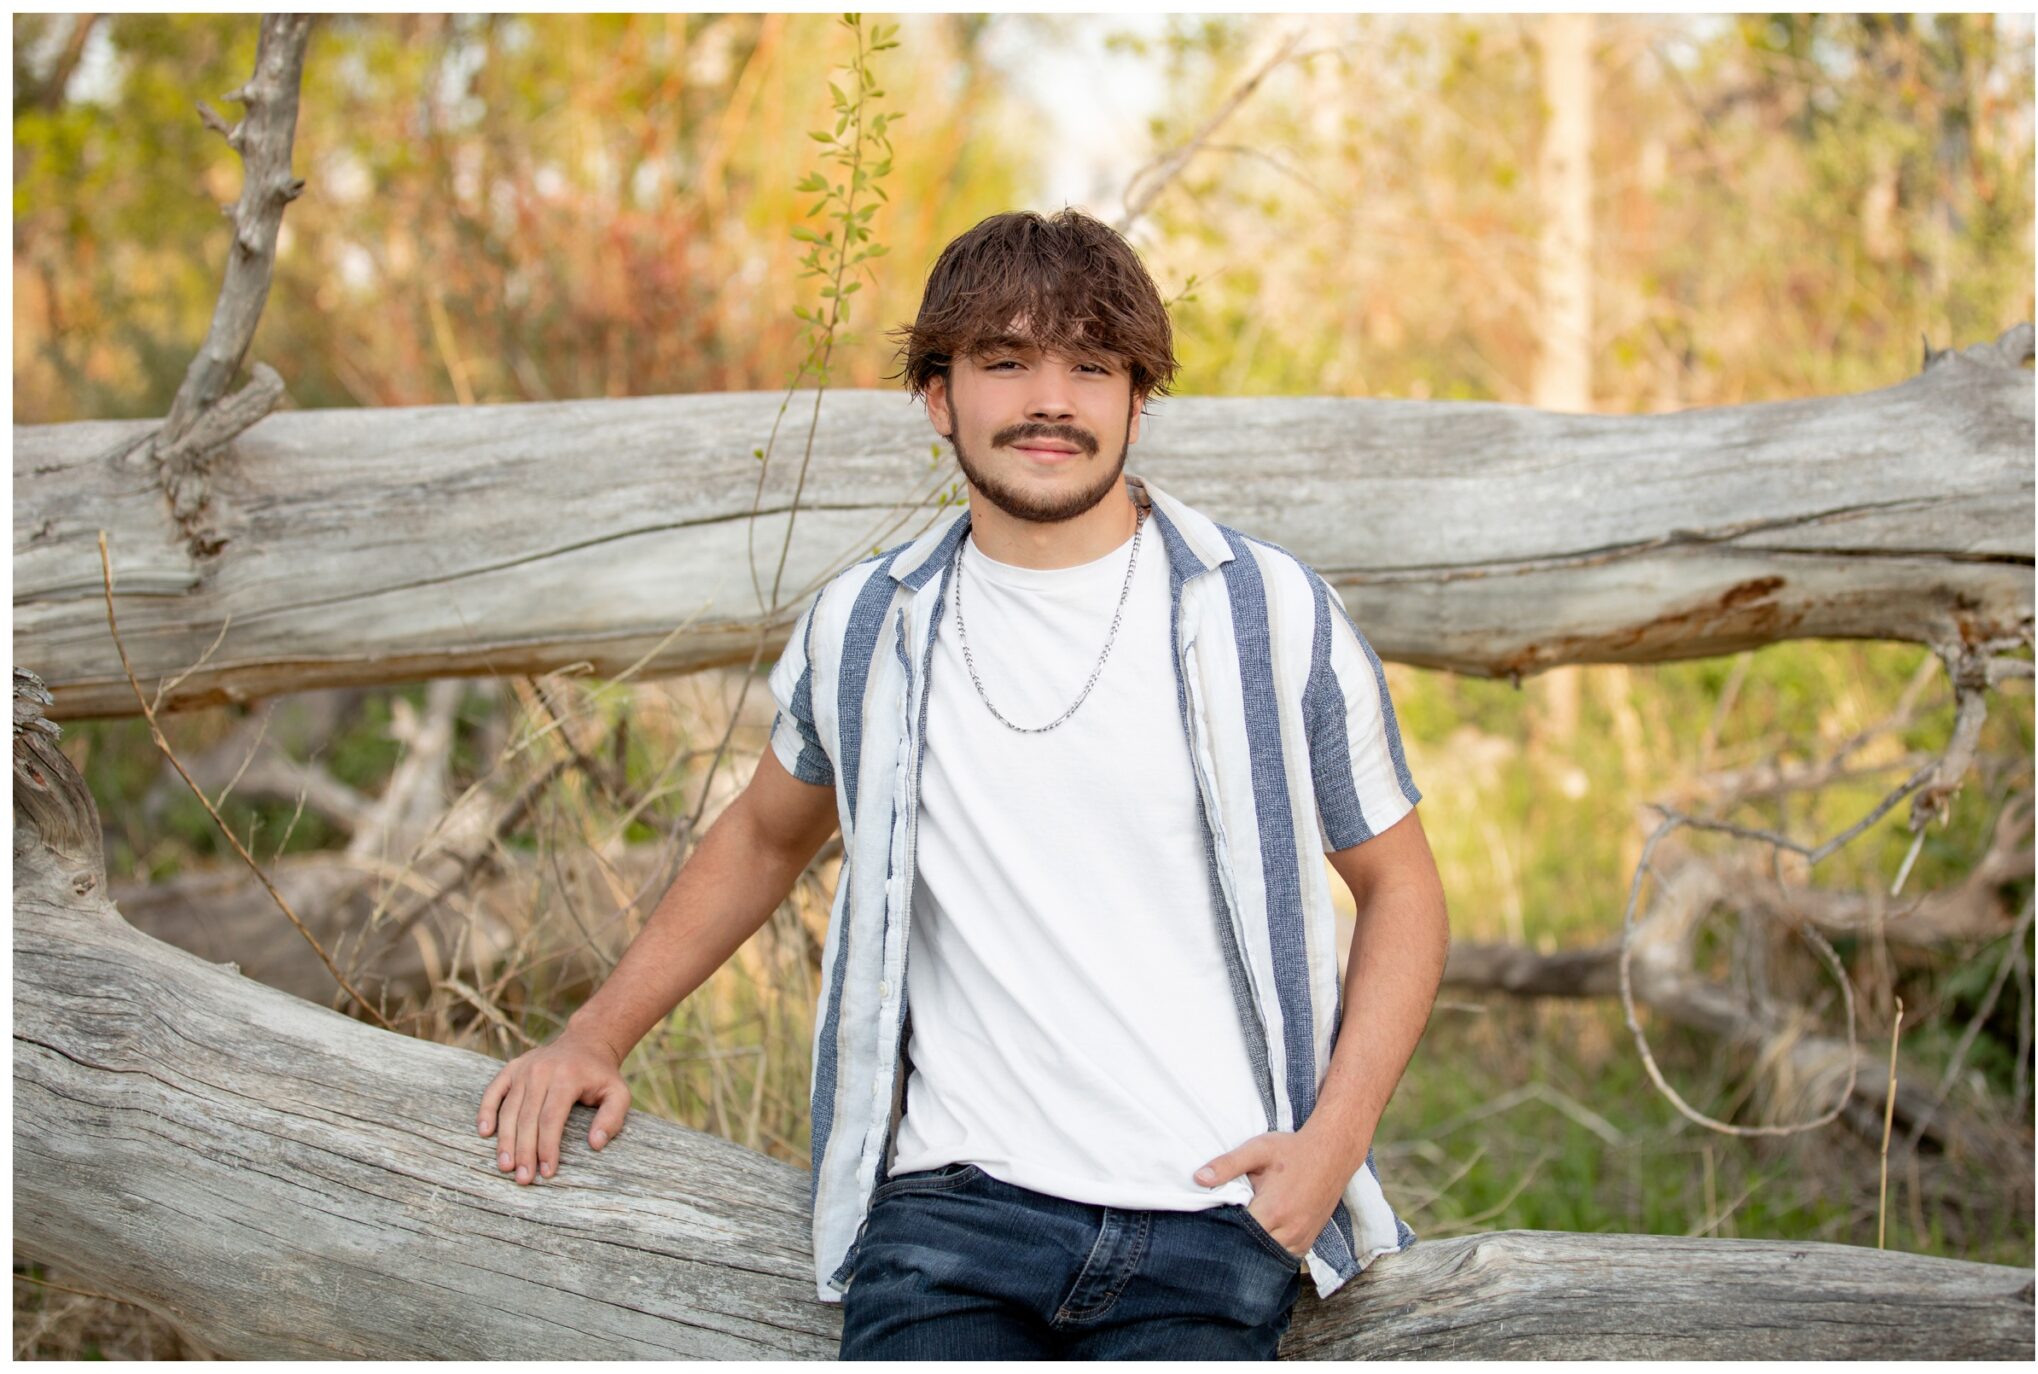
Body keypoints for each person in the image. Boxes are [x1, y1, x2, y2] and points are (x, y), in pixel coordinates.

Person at [478, 208, 1449, 1360]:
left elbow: (1400, 888)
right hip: (951, 1222)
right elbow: (761, 839)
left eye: (1090, 366)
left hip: (1212, 1219)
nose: (1050, 400)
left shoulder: (1265, 613)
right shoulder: (868, 625)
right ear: (938, 397)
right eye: (1005, 362)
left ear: (1137, 400)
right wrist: (592, 1037)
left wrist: (1333, 1142)